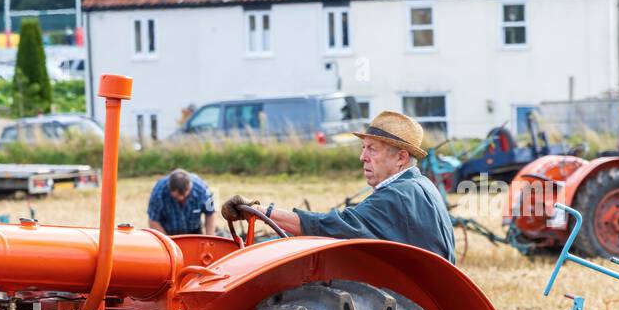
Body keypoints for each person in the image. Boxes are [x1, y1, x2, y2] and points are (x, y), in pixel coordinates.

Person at [222, 111, 455, 262]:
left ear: (401, 158)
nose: (362, 157)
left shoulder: (398, 195)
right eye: (363, 148)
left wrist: (262, 213)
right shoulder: (421, 185)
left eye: (372, 149)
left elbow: (332, 228)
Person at [148, 168, 216, 236]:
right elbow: (153, 220)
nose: (181, 198)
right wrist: (167, 242)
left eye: (184, 196)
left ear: (190, 187)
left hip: (194, 232)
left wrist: (210, 239)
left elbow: (210, 213)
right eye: (177, 197)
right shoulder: (158, 192)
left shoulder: (203, 189)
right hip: (168, 233)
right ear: (170, 189)